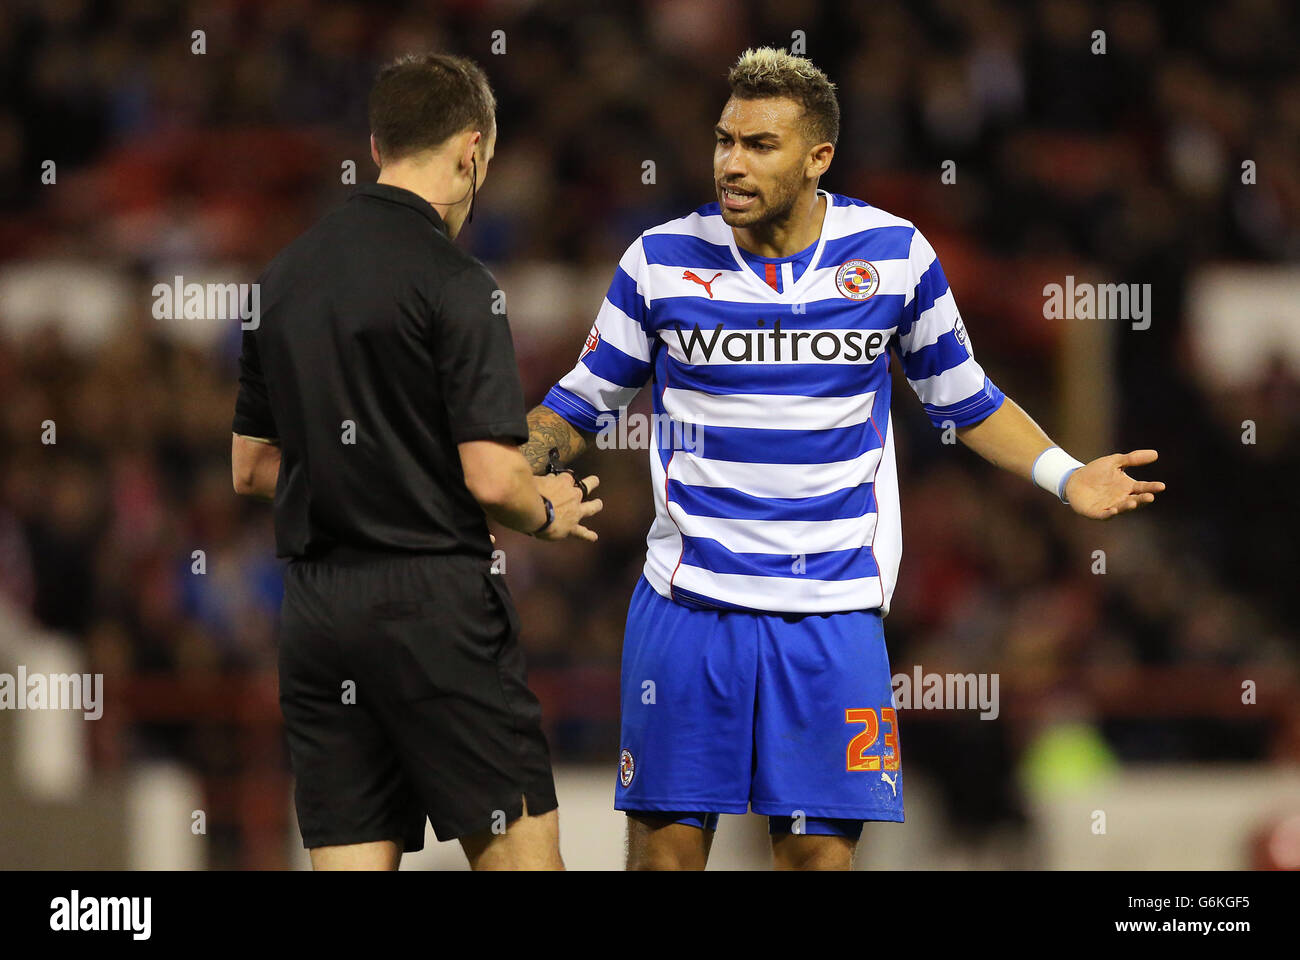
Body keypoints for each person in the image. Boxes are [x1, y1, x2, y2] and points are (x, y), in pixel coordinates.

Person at [520, 47, 1163, 871]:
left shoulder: (895, 256)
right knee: (666, 861)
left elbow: (964, 398)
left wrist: (1066, 475)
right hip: (689, 608)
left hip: (831, 613)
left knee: (818, 862)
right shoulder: (660, 259)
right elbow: (582, 401)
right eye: (724, 141)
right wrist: (510, 458)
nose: (731, 163)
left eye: (759, 145)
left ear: (818, 156)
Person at [231, 53, 601, 871]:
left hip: (319, 616)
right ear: (473, 151)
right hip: (435, 608)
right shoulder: (457, 282)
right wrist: (548, 509)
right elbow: (492, 478)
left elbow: (251, 470)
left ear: (375, 145)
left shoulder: (280, 278)